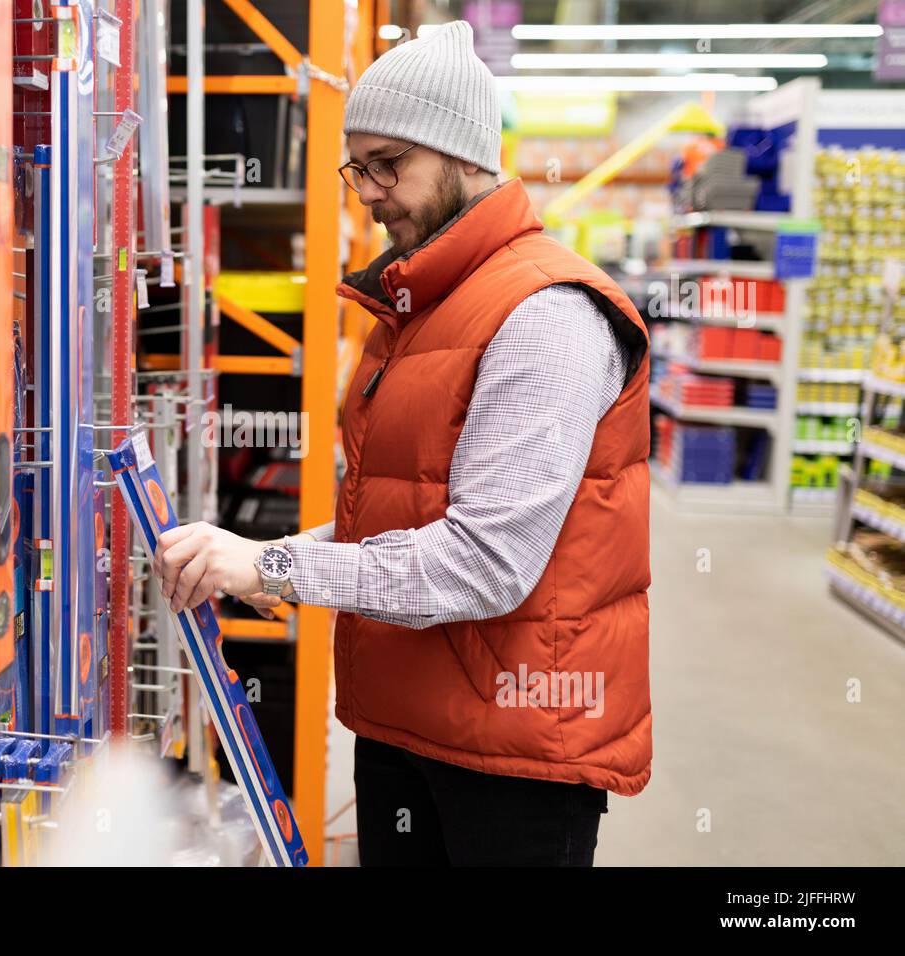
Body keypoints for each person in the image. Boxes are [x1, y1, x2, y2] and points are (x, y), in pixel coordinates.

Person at [153, 20, 651, 866]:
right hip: (409, 722)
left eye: (390, 165)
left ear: (463, 156)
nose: (371, 192)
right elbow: (400, 517)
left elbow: (483, 562)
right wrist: (263, 552)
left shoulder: (546, 315)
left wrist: (272, 569)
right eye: (359, 169)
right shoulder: (419, 305)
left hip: (513, 756)